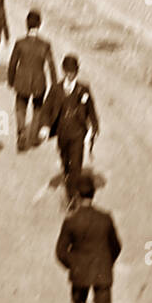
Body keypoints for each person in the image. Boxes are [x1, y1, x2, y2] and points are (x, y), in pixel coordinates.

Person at [55, 172, 121, 303]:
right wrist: (107, 262)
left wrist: (73, 266)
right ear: (93, 194)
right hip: (102, 271)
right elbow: (116, 246)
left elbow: (60, 251)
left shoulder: (71, 221)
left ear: (76, 195)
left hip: (80, 274)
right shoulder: (105, 218)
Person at [40, 55, 99, 205]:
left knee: (76, 165)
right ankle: (68, 177)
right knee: (66, 161)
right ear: (63, 71)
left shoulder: (83, 89)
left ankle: (72, 196)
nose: (70, 75)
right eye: (67, 72)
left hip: (78, 133)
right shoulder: (55, 89)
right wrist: (45, 127)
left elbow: (91, 111)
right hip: (62, 133)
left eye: (72, 72)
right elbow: (46, 109)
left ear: (76, 72)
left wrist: (94, 128)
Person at [7, 9, 57, 152]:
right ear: (39, 25)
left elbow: (12, 64)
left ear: (26, 24)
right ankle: (34, 137)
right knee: (38, 109)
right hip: (38, 82)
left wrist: (11, 81)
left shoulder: (20, 43)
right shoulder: (45, 45)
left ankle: (21, 134)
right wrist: (54, 84)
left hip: (21, 81)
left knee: (20, 108)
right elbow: (51, 65)